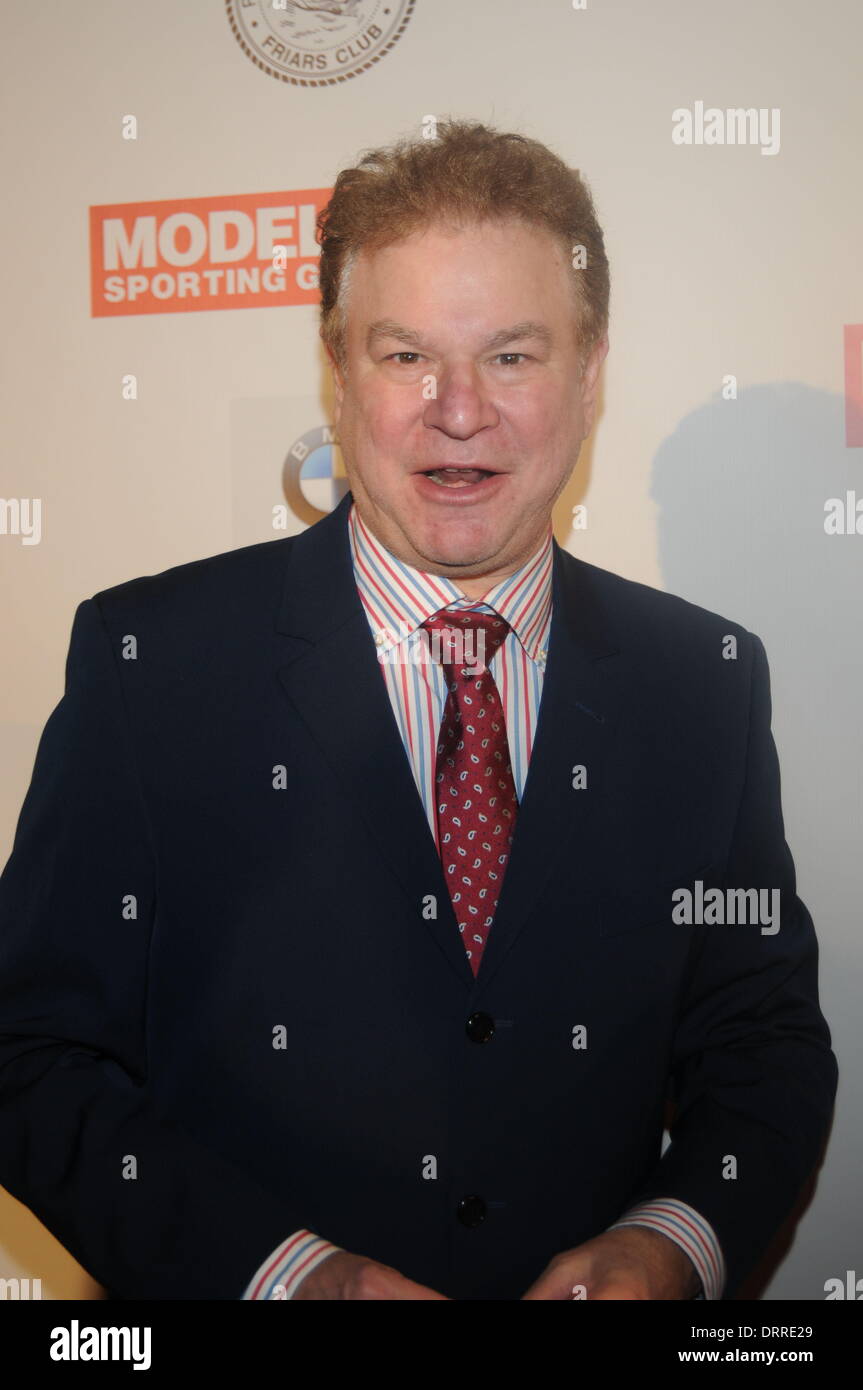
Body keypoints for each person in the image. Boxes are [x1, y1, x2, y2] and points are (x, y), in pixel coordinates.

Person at [0, 120, 837, 1301]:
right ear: (337, 372)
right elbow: (29, 1052)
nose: (456, 410)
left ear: (589, 374)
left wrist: (671, 1243)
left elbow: (759, 1041)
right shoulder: (151, 663)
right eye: (403, 356)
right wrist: (293, 1279)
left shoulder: (699, 677)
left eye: (510, 355)